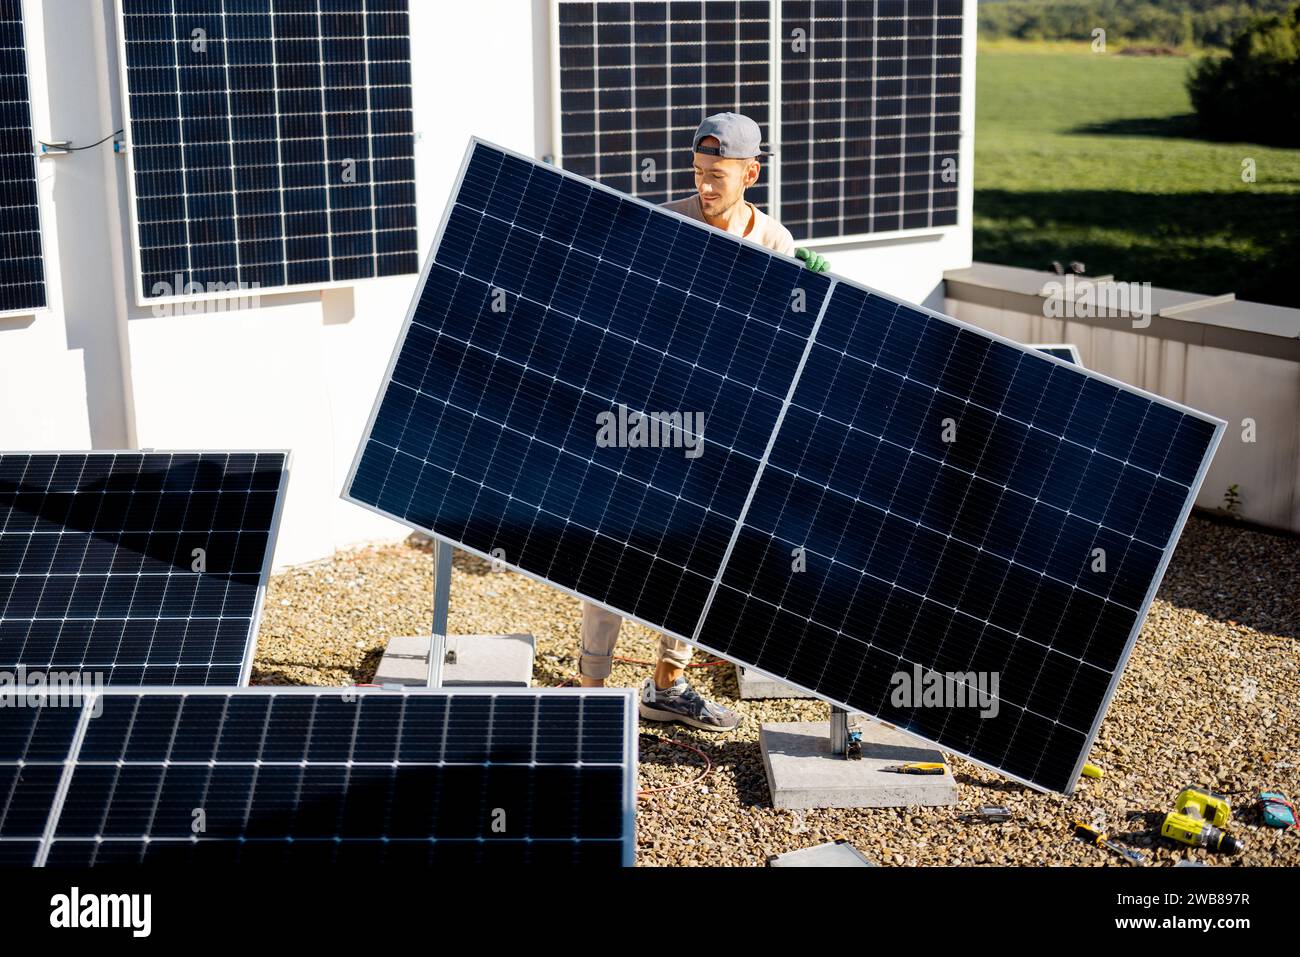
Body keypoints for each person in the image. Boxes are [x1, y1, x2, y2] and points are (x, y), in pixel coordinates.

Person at [578, 112, 830, 732]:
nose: (705, 186)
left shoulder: (775, 243)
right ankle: (590, 691)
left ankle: (667, 684)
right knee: (616, 546)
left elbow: (772, 345)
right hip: (650, 412)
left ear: (751, 172)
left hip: (718, 424)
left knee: (693, 555)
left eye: (718, 175)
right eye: (697, 173)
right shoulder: (665, 225)